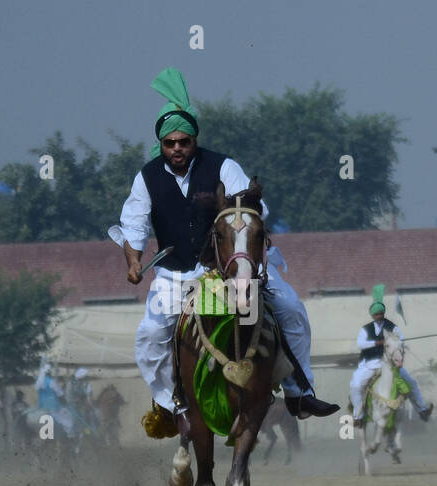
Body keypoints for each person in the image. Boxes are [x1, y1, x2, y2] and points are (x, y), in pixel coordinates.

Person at [119, 68, 338, 439]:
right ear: (161, 143)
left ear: (194, 140)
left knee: (289, 309)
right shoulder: (146, 177)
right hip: (174, 277)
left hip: (229, 273)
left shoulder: (224, 166)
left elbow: (255, 209)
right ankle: (169, 405)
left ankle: (299, 394)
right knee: (151, 333)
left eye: (184, 142)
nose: (177, 149)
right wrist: (135, 262)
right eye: (170, 142)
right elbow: (134, 226)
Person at [349, 285, 432, 423]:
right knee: (356, 386)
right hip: (370, 364)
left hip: (390, 365)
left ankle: (422, 410)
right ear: (372, 315)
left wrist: (399, 350)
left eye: (381, 313)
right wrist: (377, 343)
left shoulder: (393, 327)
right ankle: (358, 416)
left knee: (412, 383)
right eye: (377, 314)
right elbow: (360, 344)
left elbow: (401, 341)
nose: (379, 316)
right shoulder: (365, 329)